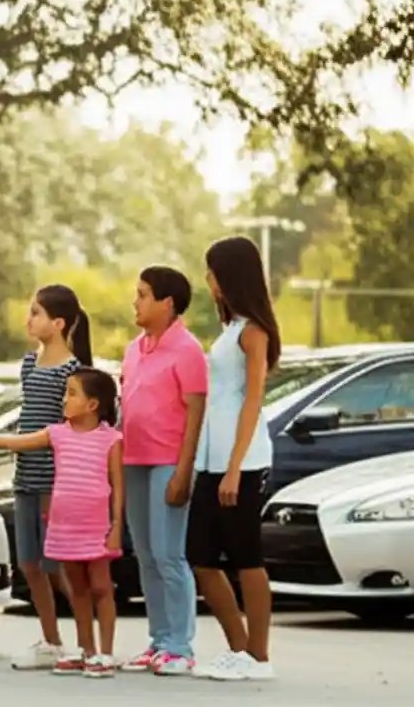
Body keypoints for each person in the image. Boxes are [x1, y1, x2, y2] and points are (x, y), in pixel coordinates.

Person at [0, 368, 124, 678]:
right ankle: (87, 651)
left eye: (71, 393)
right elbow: (11, 443)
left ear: (92, 404)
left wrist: (116, 527)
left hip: (96, 528)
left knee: (101, 587)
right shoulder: (56, 434)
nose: (64, 399)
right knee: (79, 590)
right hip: (64, 527)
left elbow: (119, 488)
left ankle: (107, 654)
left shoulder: (110, 439)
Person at [189, 236, 280, 681]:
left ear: (230, 276)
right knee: (201, 559)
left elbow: (252, 402)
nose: (207, 280)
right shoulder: (231, 329)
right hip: (213, 460)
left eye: (212, 272)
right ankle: (239, 650)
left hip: (240, 462)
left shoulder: (253, 331)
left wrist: (233, 468)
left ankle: (259, 657)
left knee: (247, 558)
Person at [119, 266, 208, 676]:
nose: (135, 302)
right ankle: (159, 641)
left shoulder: (188, 349)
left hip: (169, 461)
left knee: (170, 555)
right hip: (134, 459)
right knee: (146, 555)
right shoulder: (134, 348)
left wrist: (183, 472)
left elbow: (195, 413)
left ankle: (180, 647)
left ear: (166, 302)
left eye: (143, 294)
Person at [6, 285, 93, 670]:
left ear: (58, 323)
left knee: (58, 565)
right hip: (24, 476)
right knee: (29, 564)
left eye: (36, 313)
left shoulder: (74, 371)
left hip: (55, 481)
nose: (29, 320)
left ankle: (87, 644)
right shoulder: (29, 365)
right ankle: (51, 640)